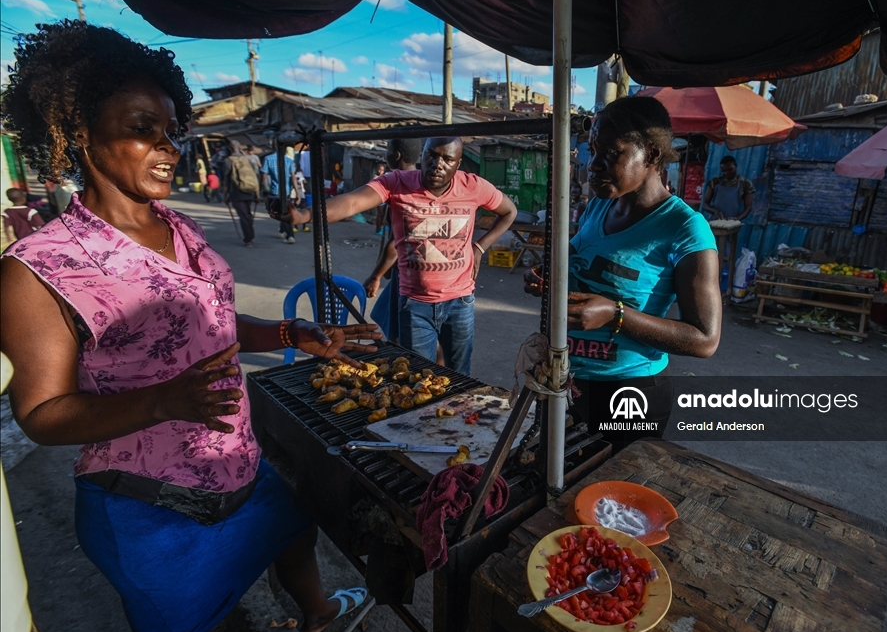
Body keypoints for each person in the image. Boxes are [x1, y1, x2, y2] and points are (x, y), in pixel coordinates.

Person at [0, 20, 380, 632]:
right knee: (188, 629)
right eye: (142, 129)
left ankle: (318, 614)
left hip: (239, 464)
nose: (169, 147)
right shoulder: (38, 268)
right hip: (150, 510)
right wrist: (162, 402)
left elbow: (210, 327)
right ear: (79, 134)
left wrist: (289, 331)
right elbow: (41, 413)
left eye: (172, 131)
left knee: (293, 532)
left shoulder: (179, 226)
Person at [525, 97, 721, 453]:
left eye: (611, 153)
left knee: (614, 497)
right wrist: (549, 274)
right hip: (571, 378)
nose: (592, 166)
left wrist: (615, 314)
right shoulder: (601, 204)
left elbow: (704, 339)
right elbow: (577, 257)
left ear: (653, 157)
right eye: (592, 150)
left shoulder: (686, 230)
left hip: (629, 393)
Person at [282, 137, 517, 376]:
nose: (438, 164)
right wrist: (303, 215)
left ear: (458, 165)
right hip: (414, 304)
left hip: (460, 302)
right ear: (422, 155)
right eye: (432, 155)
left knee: (459, 374)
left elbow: (509, 211)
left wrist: (479, 247)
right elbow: (352, 203)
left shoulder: (473, 186)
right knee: (417, 375)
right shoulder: (396, 182)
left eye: (448, 159)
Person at [364, 139, 420, 342]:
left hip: (404, 270)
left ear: (396, 156)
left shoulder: (397, 186)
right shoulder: (423, 182)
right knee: (387, 316)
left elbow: (397, 243)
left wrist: (375, 276)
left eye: (388, 150)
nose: (386, 154)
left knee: (400, 330)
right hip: (415, 266)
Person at [224, 140, 260, 247]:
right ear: (239, 148)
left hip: (236, 193)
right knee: (248, 214)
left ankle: (248, 238)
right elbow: (254, 176)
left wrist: (225, 195)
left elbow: (226, 180)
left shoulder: (228, 160)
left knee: (243, 216)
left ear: (230, 149)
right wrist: (257, 194)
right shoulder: (246, 159)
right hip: (250, 191)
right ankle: (250, 235)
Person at [260, 146, 297, 243]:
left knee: (281, 212)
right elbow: (293, 177)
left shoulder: (268, 159)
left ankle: (290, 236)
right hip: (287, 190)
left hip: (275, 190)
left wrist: (260, 187)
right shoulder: (289, 160)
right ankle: (282, 230)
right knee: (284, 210)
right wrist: (297, 192)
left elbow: (264, 176)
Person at [703, 155, 754, 221]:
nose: (727, 173)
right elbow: (705, 204)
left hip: (732, 222)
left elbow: (748, 207)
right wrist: (715, 211)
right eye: (724, 171)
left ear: (735, 166)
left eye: (730, 169)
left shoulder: (745, 184)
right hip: (715, 221)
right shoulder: (715, 182)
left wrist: (736, 220)